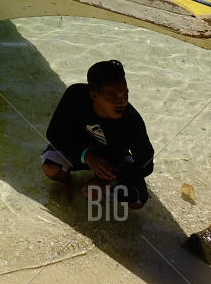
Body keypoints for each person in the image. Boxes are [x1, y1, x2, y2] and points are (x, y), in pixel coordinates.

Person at [40, 59, 153, 208]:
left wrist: (108, 181)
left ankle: (107, 187)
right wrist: (86, 155)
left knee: (136, 201)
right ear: (94, 95)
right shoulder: (75, 96)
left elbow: (146, 162)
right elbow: (54, 133)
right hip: (79, 151)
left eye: (125, 94)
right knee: (51, 169)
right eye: (112, 96)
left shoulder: (132, 121)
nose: (121, 102)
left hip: (114, 159)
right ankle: (68, 181)